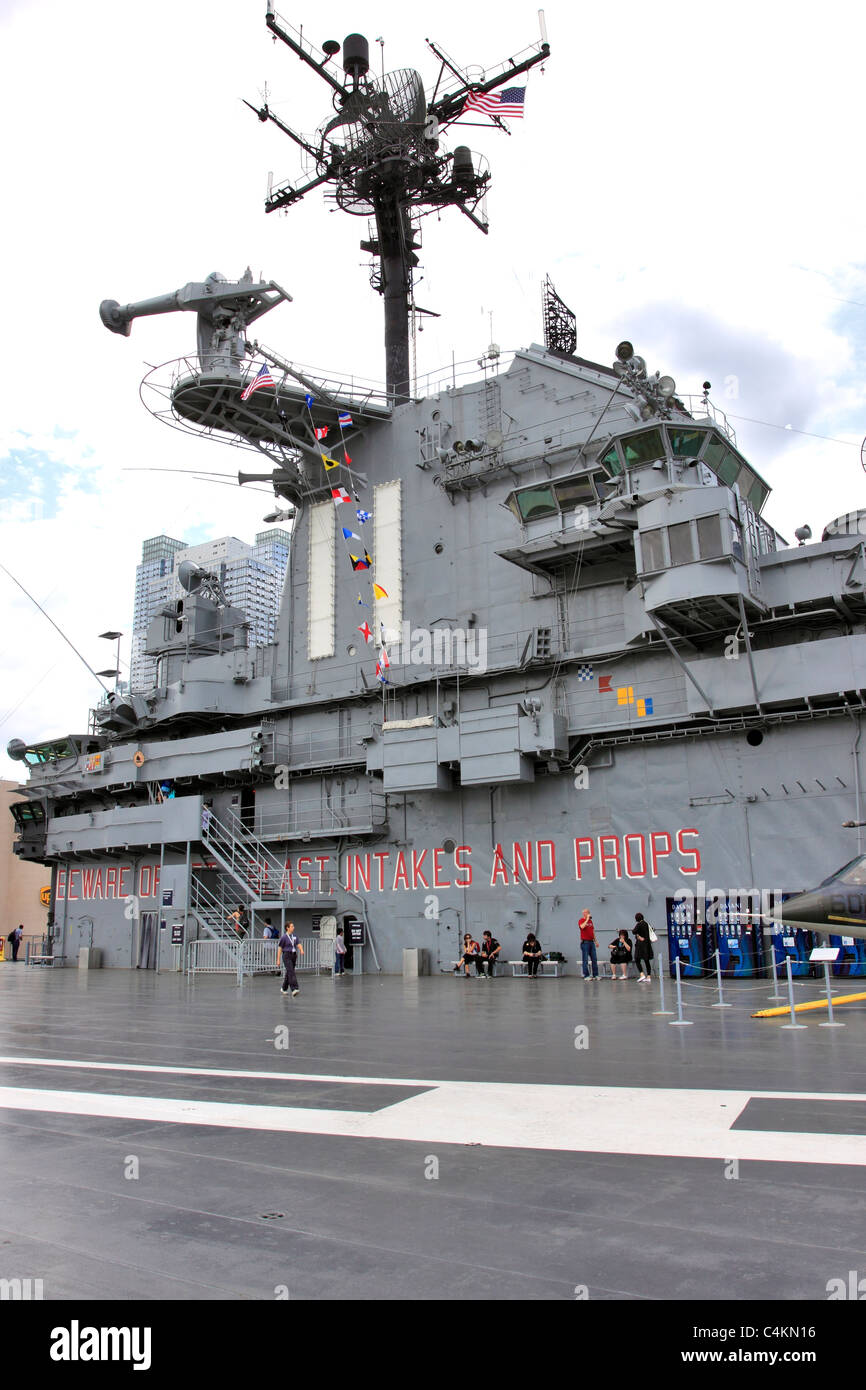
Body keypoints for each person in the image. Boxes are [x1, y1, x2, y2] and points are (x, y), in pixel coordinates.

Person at [278, 921, 304, 996]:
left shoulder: (294, 936)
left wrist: (301, 950)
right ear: (287, 928)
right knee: (291, 971)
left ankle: (284, 988)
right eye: (292, 926)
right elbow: (280, 948)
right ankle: (294, 988)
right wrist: (278, 959)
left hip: (293, 955)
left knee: (289, 972)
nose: (293, 927)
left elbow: (298, 944)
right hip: (286, 955)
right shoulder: (284, 937)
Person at [578, 909, 599, 980]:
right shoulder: (581, 920)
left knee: (594, 959)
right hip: (585, 942)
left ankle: (595, 974)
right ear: (583, 913)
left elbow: (593, 931)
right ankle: (586, 975)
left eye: (588, 912)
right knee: (585, 959)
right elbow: (582, 927)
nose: (588, 913)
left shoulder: (591, 921)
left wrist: (595, 941)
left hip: (591, 942)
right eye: (587, 912)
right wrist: (586, 919)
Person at [633, 912, 654, 982]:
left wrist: (638, 936)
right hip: (647, 945)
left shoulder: (639, 924)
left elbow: (634, 931)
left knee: (637, 959)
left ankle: (642, 974)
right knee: (646, 960)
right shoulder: (647, 924)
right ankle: (648, 976)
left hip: (640, 945)